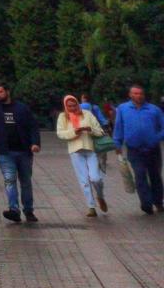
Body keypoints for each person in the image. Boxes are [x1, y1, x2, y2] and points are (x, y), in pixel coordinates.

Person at [0, 82, 40, 225]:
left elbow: (32, 126)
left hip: (24, 151)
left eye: (0, 91)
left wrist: (35, 143)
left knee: (25, 181)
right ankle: (14, 210)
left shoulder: (21, 108)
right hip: (4, 152)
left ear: (7, 91)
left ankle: (29, 210)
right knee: (9, 180)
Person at [114, 84, 164, 216]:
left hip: (153, 149)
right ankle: (146, 204)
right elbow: (118, 127)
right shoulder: (123, 109)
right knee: (140, 175)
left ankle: (158, 201)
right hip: (134, 149)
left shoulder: (154, 110)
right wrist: (117, 143)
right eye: (135, 93)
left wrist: (156, 137)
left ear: (144, 95)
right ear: (130, 95)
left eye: (140, 93)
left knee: (155, 176)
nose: (138, 96)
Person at [56, 95, 107, 218]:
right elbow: (60, 133)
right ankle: (91, 207)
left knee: (95, 178)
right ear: (65, 106)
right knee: (84, 180)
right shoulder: (63, 117)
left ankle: (100, 196)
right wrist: (74, 132)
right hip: (76, 151)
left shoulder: (87, 114)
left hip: (90, 149)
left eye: (74, 105)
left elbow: (100, 131)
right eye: (69, 106)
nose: (72, 108)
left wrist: (90, 130)